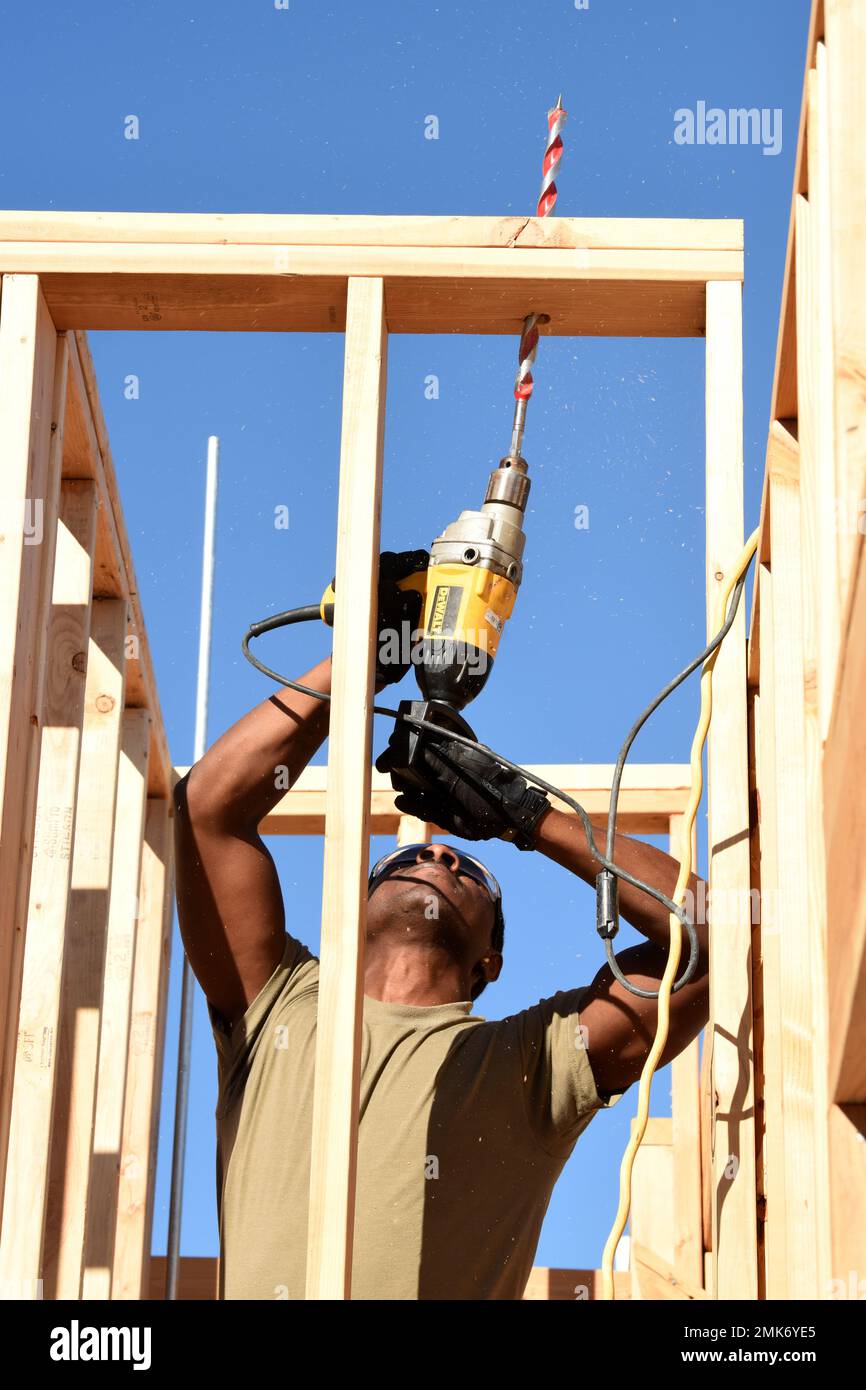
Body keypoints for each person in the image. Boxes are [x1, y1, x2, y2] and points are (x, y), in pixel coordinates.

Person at [174, 552, 708, 1300]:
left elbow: (710, 939)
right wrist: (364, 660)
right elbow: (206, 811)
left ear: (493, 960)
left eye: (473, 870)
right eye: (411, 858)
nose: (437, 854)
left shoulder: (534, 1065)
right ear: (351, 913)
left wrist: (530, 816)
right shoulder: (278, 1005)